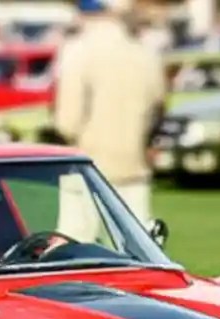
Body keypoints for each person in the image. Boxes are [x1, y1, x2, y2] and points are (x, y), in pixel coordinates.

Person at [54, 0, 166, 232]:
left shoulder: (79, 50)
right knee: (138, 243)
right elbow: (158, 106)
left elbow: (68, 120)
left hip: (87, 161)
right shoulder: (145, 53)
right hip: (133, 162)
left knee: (77, 238)